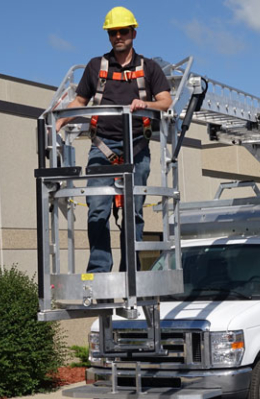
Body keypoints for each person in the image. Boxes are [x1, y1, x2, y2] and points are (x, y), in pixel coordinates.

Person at [56, 6, 172, 273]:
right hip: (102, 145)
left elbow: (166, 101)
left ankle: (130, 270)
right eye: (112, 32)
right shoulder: (96, 66)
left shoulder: (149, 68)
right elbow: (79, 101)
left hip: (137, 146)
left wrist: (144, 103)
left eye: (123, 31)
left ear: (133, 32)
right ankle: (99, 270)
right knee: (97, 208)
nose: (118, 36)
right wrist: (58, 122)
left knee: (133, 213)